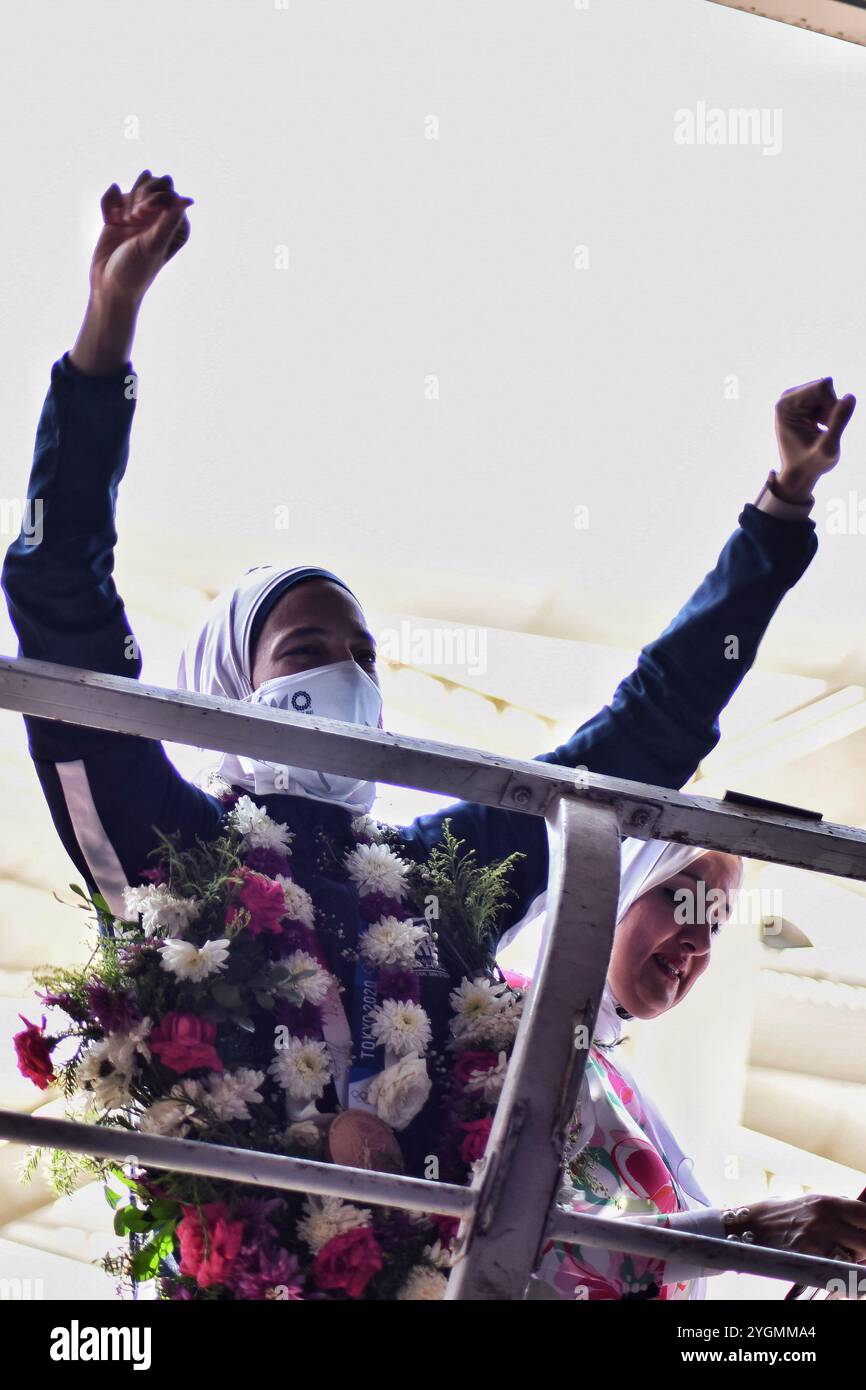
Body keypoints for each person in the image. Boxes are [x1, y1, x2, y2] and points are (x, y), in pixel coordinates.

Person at [0, 170, 857, 1288]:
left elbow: (639, 738)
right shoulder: (172, 854)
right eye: (306, 651)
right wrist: (105, 331)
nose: (346, 674)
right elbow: (65, 611)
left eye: (363, 653)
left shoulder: (433, 877)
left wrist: (779, 511)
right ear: (226, 687)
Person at [524, 841, 866, 1300]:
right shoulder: (505, 1018)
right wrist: (747, 1230)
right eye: (680, 899)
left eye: (717, 925)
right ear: (615, 886)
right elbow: (507, 1235)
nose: (700, 942)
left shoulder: (620, 1084)